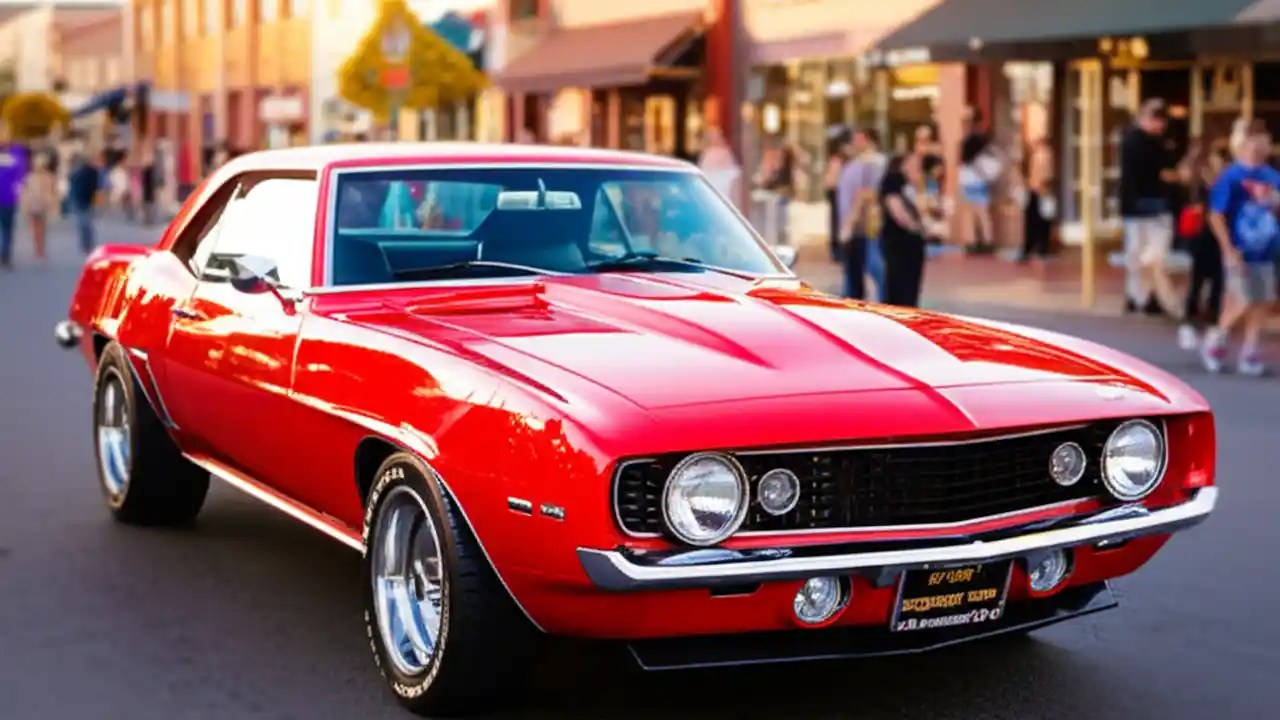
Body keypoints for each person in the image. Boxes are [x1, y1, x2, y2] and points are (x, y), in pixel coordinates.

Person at [1200, 125, 1280, 376]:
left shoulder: (1272, 177)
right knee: (1243, 299)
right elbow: (1216, 215)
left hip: (1267, 249)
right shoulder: (1231, 177)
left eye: (1262, 143)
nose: (1257, 149)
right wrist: (1228, 248)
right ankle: (1216, 339)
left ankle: (1251, 351)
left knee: (1262, 300)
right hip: (1240, 249)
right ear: (1242, 145)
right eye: (1252, 143)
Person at [1120, 98, 1181, 316]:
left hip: (1136, 205)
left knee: (1138, 253)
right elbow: (1163, 173)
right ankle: (1149, 296)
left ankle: (1139, 296)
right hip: (1152, 204)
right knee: (1149, 256)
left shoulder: (1131, 139)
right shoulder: (1147, 142)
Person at [1176, 143, 1228, 350]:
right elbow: (1183, 174)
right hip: (1201, 237)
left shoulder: (1226, 183)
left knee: (1218, 282)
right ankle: (1189, 322)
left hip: (1218, 238)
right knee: (1198, 280)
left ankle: (1212, 320)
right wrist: (1192, 154)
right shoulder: (1200, 180)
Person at [836, 127, 886, 300]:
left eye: (857, 139)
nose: (854, 143)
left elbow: (864, 194)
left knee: (866, 271)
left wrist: (849, 225)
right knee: (857, 273)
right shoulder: (857, 163)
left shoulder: (870, 163)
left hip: (863, 228)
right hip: (859, 227)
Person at [879, 153, 929, 307]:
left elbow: (922, 209)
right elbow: (897, 211)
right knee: (899, 283)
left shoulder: (913, 185)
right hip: (899, 241)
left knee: (911, 285)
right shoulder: (894, 181)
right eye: (913, 163)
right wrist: (915, 227)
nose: (917, 168)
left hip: (913, 242)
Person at [958, 108, 1002, 254]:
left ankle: (971, 242)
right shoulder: (984, 139)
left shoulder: (968, 140)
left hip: (969, 180)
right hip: (980, 181)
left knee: (970, 213)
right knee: (982, 213)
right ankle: (987, 240)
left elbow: (963, 161)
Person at [1019, 137, 1056, 264]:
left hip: (1039, 191)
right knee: (1037, 221)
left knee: (1039, 222)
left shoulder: (1043, 154)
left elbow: (1046, 174)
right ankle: (1036, 248)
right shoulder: (1036, 153)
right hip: (1035, 190)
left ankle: (1037, 248)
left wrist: (1040, 185)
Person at [698, 127, 744, 212]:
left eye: (717, 136)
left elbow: (734, 176)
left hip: (723, 196)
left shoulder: (725, 153)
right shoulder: (707, 155)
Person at [21, 152, 56, 263]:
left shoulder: (31, 177)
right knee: (40, 229)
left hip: (36, 205)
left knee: (38, 229)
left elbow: (26, 192)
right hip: (39, 205)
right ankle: (40, 250)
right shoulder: (48, 177)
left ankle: (39, 250)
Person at [0, 133, 27, 270]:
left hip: (7, 198)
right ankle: (5, 256)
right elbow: (21, 176)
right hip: (8, 198)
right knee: (7, 229)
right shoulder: (16, 154)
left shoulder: (16, 153)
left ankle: (5, 255)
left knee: (6, 229)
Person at [67, 151, 103, 254]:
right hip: (82, 201)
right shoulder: (83, 172)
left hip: (83, 201)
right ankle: (87, 245)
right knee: (85, 225)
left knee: (85, 225)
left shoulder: (89, 172)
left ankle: (87, 245)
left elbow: (95, 188)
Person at [824, 128, 850, 261]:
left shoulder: (839, 159)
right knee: (836, 220)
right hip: (835, 191)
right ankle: (837, 250)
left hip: (837, 190)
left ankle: (838, 249)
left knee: (837, 220)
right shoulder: (837, 160)